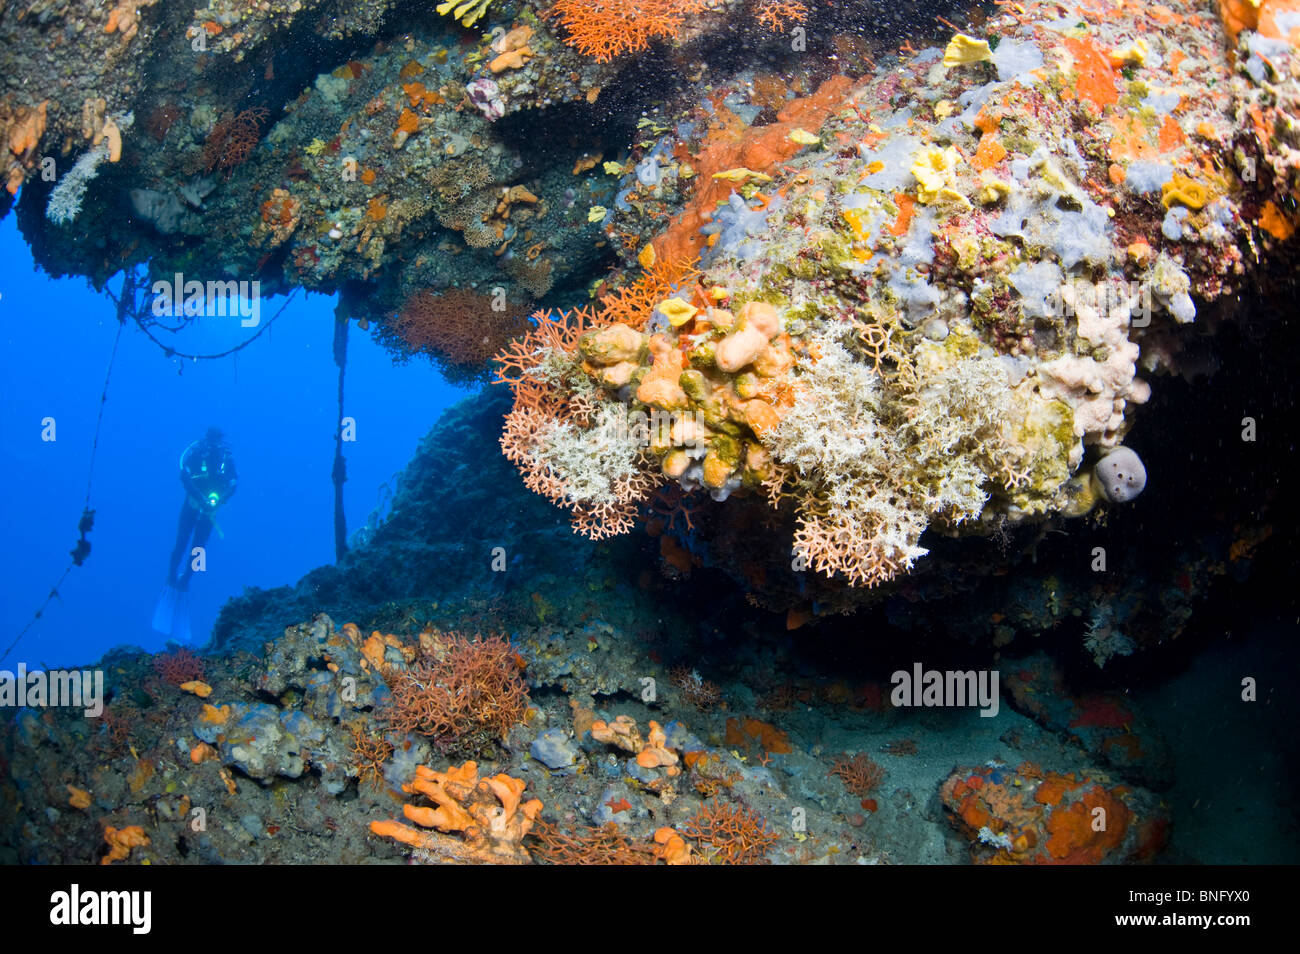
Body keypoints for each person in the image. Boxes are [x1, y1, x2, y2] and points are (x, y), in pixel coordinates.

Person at [152, 428, 237, 641]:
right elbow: (184, 476)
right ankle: (171, 578)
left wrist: (219, 499)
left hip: (209, 512)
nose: (213, 444)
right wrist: (199, 497)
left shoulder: (226, 459)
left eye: (217, 440)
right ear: (206, 439)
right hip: (191, 506)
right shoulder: (196, 454)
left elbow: (234, 483)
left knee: (198, 550)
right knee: (181, 544)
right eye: (211, 440)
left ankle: (185, 581)